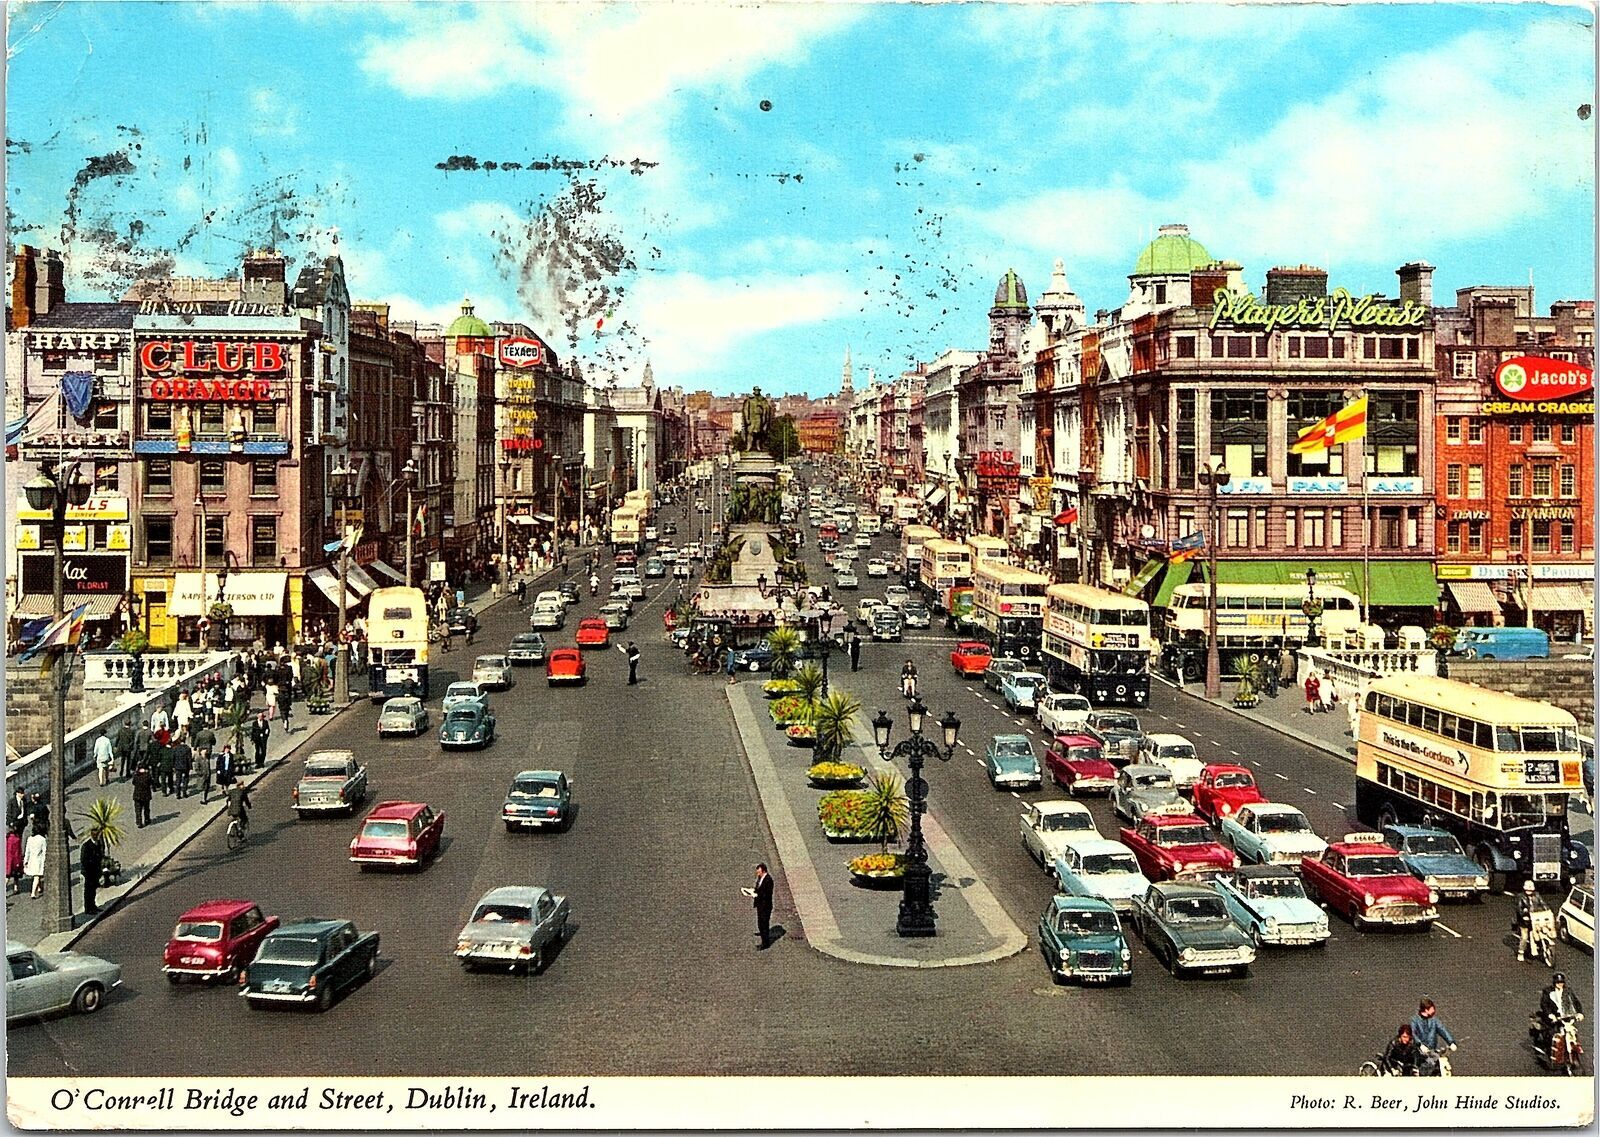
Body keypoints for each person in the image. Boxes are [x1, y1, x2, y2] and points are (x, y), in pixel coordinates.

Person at [1536, 973, 1585, 1057]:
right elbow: (1544, 1004)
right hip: (1555, 1018)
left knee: (1572, 1032)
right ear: (1554, 983)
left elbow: (1576, 1002)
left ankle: (1574, 1046)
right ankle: (1548, 1051)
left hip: (1566, 1016)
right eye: (1558, 982)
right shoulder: (1548, 992)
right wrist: (1550, 1015)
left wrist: (1579, 1013)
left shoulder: (1568, 991)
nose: (1560, 984)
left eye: (1561, 982)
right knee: (1552, 1034)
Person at [1409, 997, 1456, 1075]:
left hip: (1431, 1050)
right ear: (1426, 1009)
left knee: (1437, 1062)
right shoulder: (1415, 1021)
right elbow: (1413, 1033)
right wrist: (1419, 1044)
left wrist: (1451, 1042)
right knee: (1427, 1064)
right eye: (1432, 1009)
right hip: (1418, 1052)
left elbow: (1443, 1030)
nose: (1434, 1011)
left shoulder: (1434, 1021)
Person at [1515, 879, 1548, 962]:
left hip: (1536, 918)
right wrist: (1524, 915)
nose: (1529, 891)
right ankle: (1521, 952)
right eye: (1527, 889)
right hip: (1524, 922)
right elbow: (1519, 909)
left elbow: (1543, 904)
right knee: (1524, 937)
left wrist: (1547, 910)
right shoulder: (1520, 897)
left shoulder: (1537, 895)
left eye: (1530, 889)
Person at [749, 862, 776, 949]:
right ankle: (764, 937)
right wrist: (753, 891)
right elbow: (758, 888)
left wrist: (757, 895)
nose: (757, 873)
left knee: (764, 924)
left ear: (763, 871)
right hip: (760, 905)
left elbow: (767, 894)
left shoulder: (768, 880)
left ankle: (765, 943)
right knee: (760, 923)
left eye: (759, 872)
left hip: (765, 906)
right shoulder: (760, 878)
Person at [80, 830, 105, 915]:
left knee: (93, 890)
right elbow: (83, 860)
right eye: (94, 835)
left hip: (95, 871)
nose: (96, 836)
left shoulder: (98, 844)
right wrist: (83, 873)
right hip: (88, 872)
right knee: (88, 891)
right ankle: (88, 908)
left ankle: (93, 906)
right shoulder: (86, 846)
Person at [24, 828, 46, 898]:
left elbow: (27, 851)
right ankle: (33, 892)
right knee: (37, 876)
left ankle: (39, 888)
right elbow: (44, 851)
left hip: (31, 859)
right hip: (39, 860)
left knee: (36, 875)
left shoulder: (30, 839)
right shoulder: (42, 839)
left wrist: (25, 860)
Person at [131, 764, 153, 828]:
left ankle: (139, 822)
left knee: (138, 809)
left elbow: (133, 783)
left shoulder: (136, 776)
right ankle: (147, 819)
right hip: (146, 795)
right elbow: (151, 782)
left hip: (137, 795)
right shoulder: (147, 776)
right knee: (146, 808)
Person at [5, 827, 22, 896]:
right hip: (14, 860)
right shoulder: (17, 840)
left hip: (7, 859)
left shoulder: (7, 839)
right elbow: (18, 851)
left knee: (7, 875)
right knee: (16, 875)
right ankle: (16, 888)